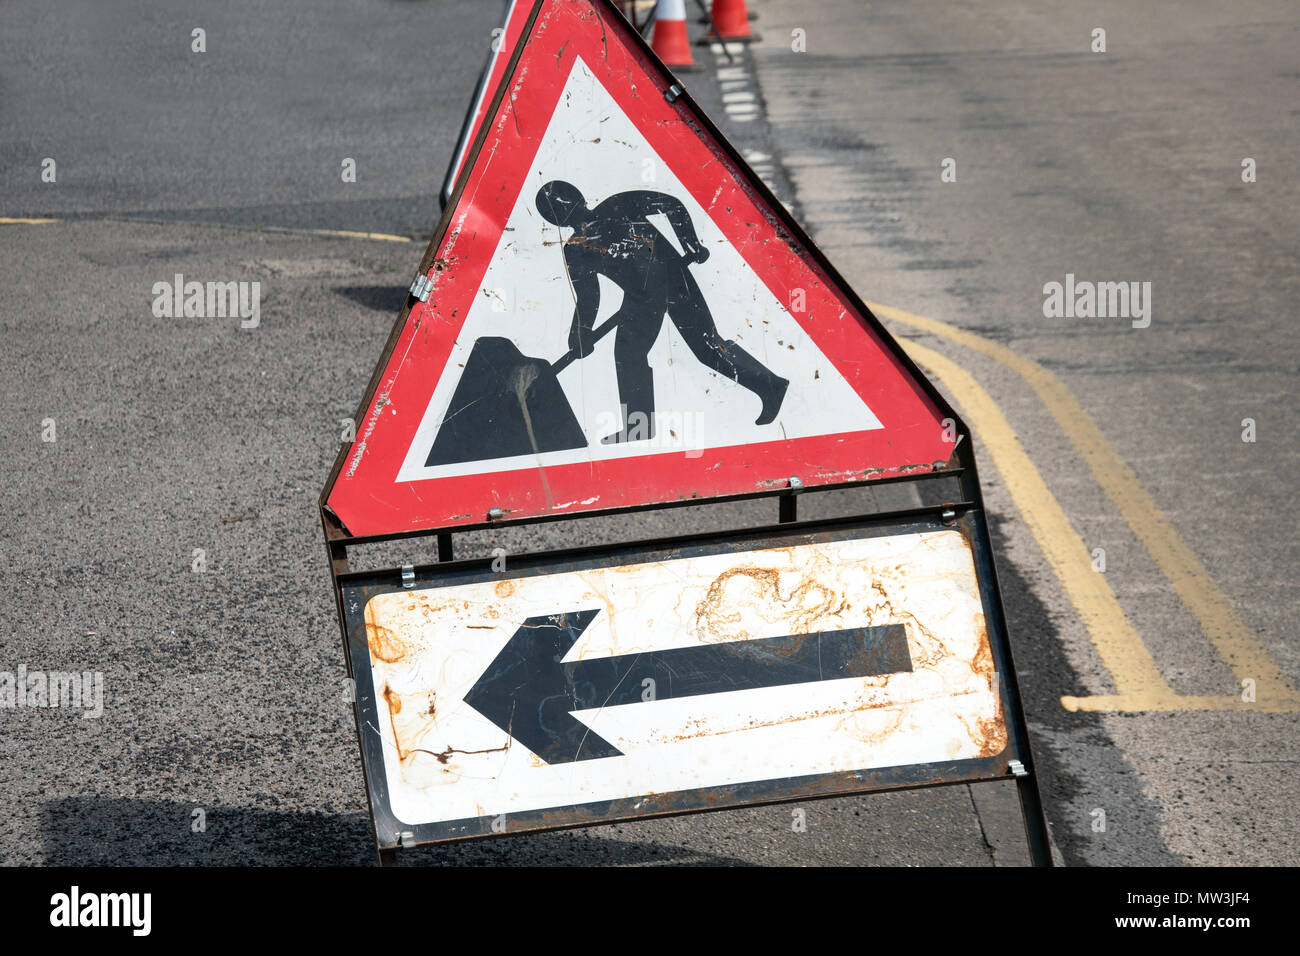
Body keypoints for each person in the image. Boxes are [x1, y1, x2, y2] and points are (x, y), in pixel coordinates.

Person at [536, 180, 788, 444]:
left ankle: (771, 386)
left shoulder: (616, 205)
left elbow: (671, 205)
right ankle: (639, 428)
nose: (568, 213)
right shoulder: (575, 249)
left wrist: (690, 243)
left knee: (706, 348)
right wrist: (581, 332)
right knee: (628, 354)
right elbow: (588, 296)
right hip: (639, 299)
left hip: (672, 278)